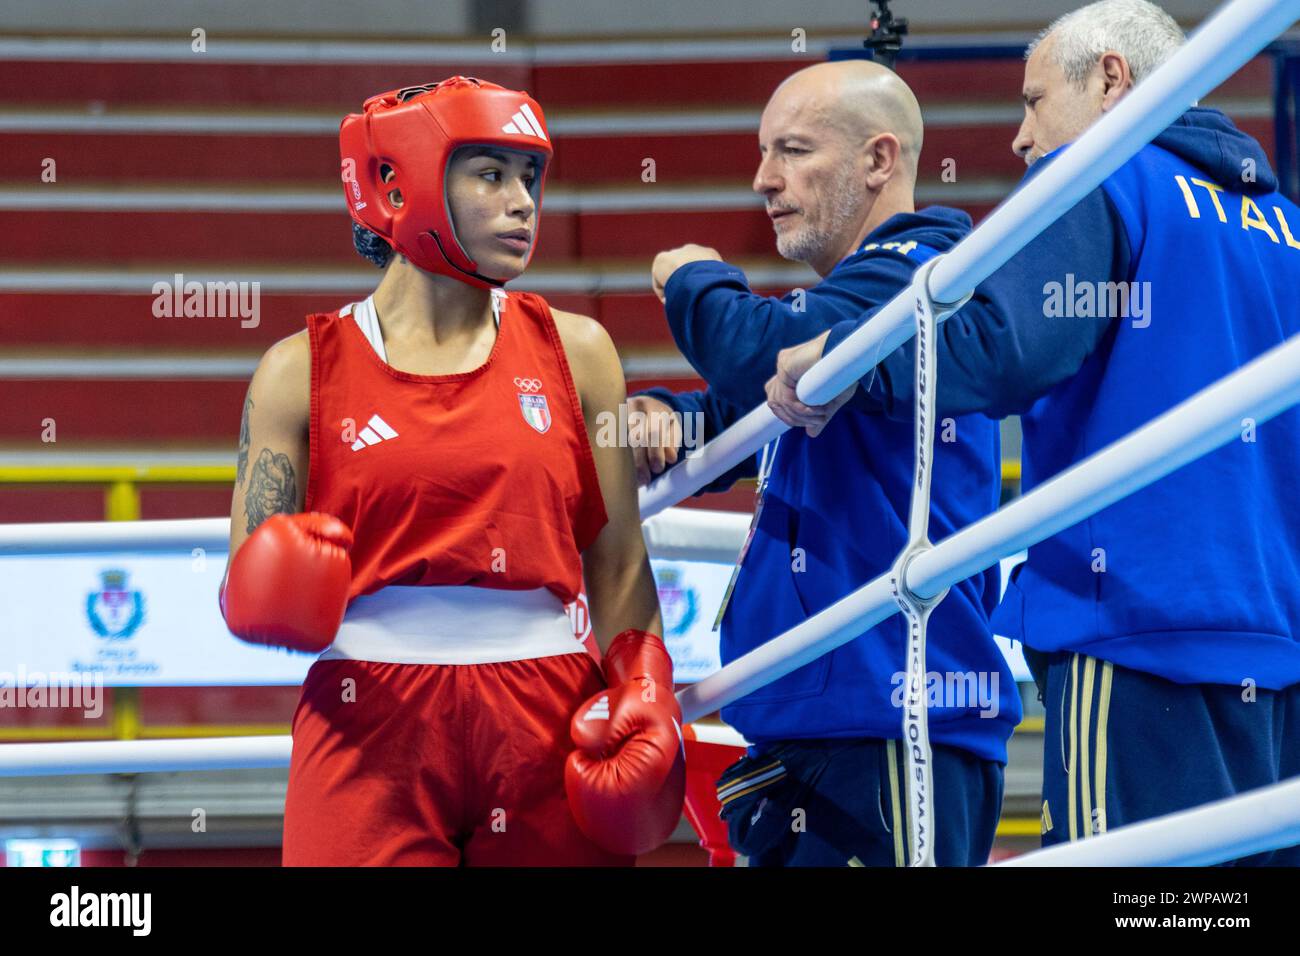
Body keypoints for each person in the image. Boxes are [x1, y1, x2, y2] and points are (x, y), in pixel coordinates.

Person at [770, 0, 1300, 862]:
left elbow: (998, 347)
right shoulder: (1288, 231)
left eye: (1034, 100)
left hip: (1136, 625)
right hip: (1278, 647)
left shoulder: (1105, 174)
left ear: (1111, 81)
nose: (1020, 139)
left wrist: (846, 357)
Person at [218, 77, 684, 866]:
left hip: (545, 707)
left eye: (530, 176)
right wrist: (272, 585)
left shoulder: (579, 351)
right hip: (367, 714)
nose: (523, 203)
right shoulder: (299, 372)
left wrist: (643, 682)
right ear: (401, 181)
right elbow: (247, 580)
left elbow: (617, 560)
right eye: (490, 174)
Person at [634, 59, 1019, 866]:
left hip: (884, 721)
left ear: (879, 160)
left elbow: (763, 354)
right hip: (833, 724)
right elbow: (770, 399)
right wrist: (674, 415)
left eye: (793, 151)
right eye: (765, 153)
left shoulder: (924, 276)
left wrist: (692, 280)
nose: (764, 180)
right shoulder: (862, 299)